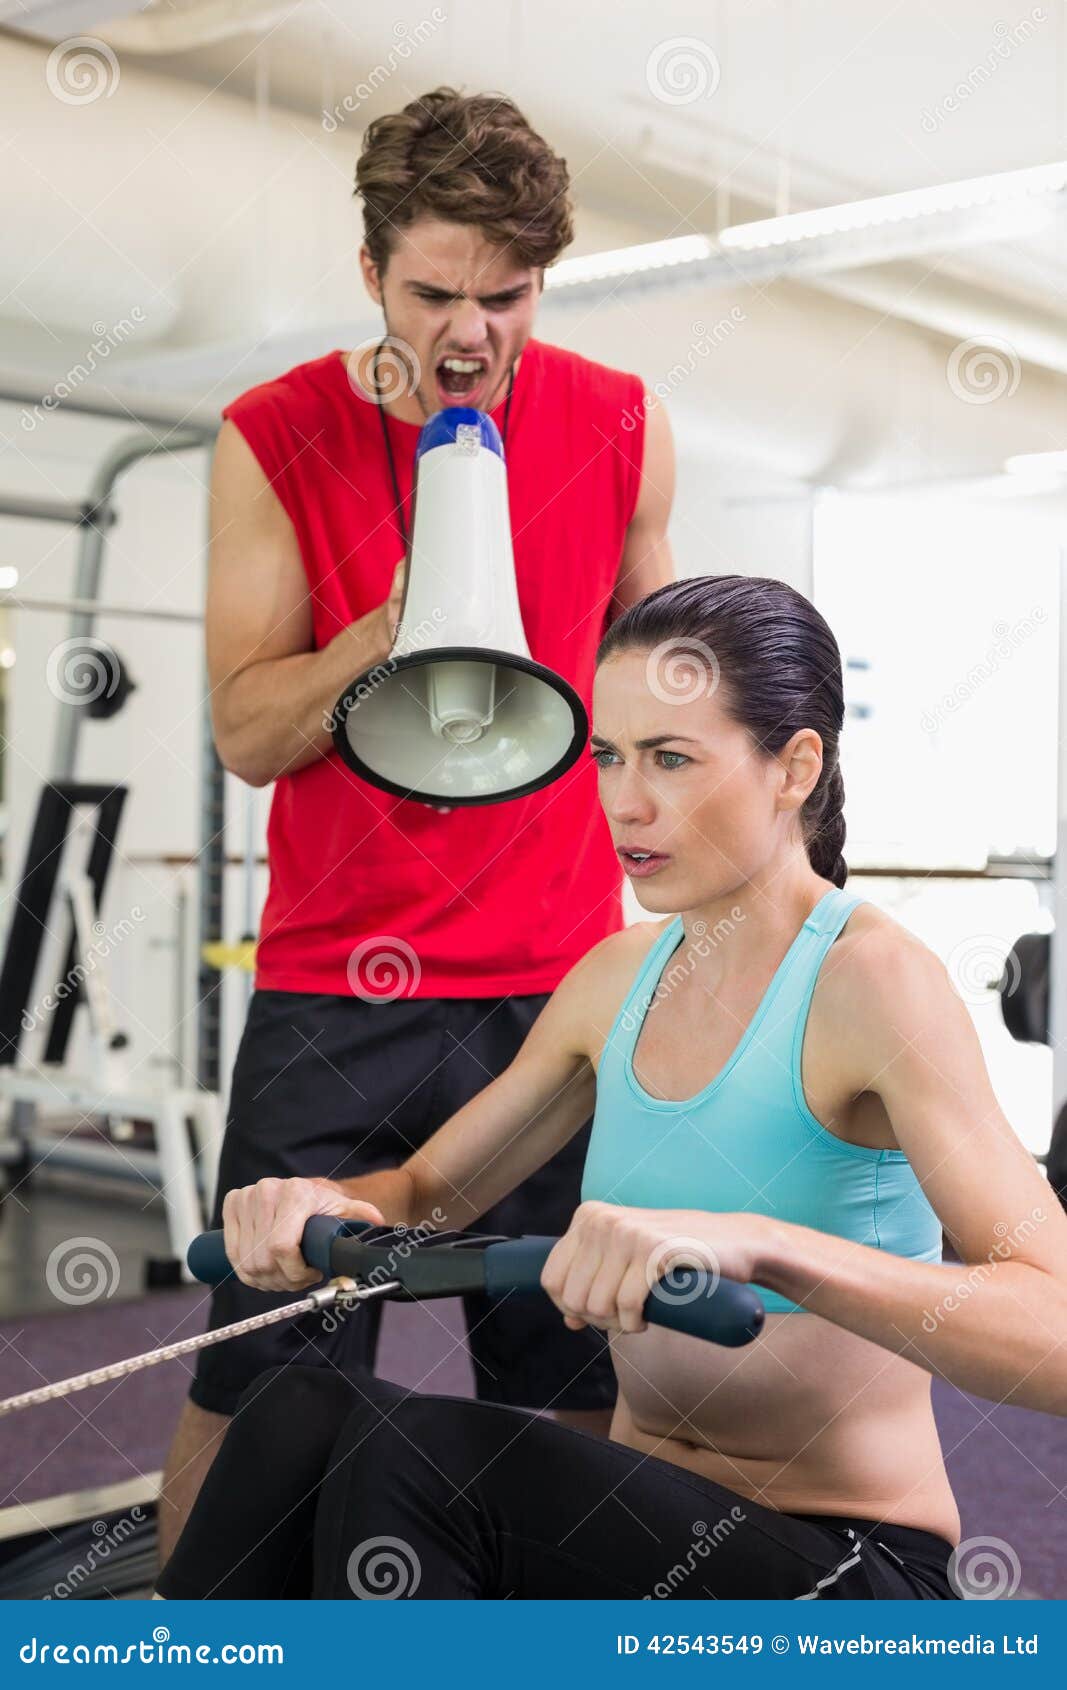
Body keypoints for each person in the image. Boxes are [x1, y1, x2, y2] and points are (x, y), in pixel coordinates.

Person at [156, 574, 1067, 1600]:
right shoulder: (614, 978)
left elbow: (1054, 1330)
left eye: (670, 759)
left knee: (416, 1459)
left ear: (792, 767)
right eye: (608, 758)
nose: (623, 803)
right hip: (633, 1530)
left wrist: (768, 1247)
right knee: (297, 1412)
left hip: (841, 1566)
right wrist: (315, 1205)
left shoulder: (870, 982)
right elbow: (425, 1193)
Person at [158, 86, 675, 1564]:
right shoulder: (273, 435)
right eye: (435, 291)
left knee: (569, 1362)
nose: (470, 333)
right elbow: (248, 734)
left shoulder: (622, 422)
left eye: (504, 297)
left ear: (541, 280)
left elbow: (652, 692)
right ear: (372, 271)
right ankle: (202, 1654)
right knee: (269, 1374)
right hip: (338, 987)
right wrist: (388, 636)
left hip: (558, 991)